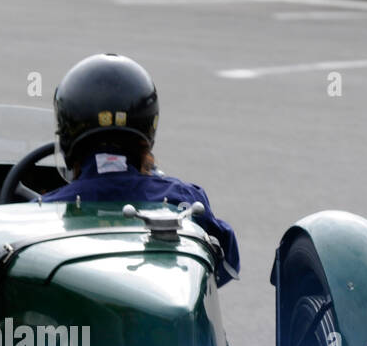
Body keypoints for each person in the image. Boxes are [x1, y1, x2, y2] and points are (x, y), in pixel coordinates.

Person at [42, 53, 240, 285]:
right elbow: (227, 263)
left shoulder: (44, 213)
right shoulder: (182, 199)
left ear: (66, 133)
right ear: (149, 126)